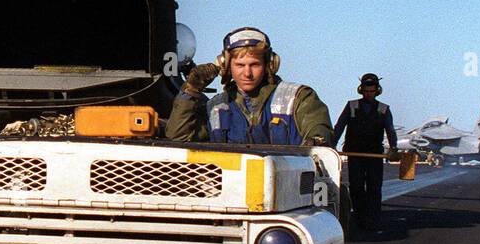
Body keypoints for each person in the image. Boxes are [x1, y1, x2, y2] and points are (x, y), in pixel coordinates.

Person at [166, 27, 333, 146]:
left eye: (254, 64)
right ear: (226, 66)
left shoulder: (298, 98)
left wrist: (317, 140)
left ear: (270, 65)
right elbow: (179, 138)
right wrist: (190, 91)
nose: (247, 73)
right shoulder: (215, 108)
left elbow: (318, 131)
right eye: (240, 65)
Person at [333, 73, 398, 231]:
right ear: (361, 90)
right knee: (356, 187)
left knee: (374, 188)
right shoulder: (352, 106)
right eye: (366, 90)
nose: (369, 93)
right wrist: (331, 145)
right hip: (355, 154)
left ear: (377, 90)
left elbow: (390, 130)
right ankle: (359, 219)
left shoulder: (383, 109)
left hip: (374, 155)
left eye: (372, 90)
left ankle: (373, 220)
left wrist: (393, 148)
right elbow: (339, 127)